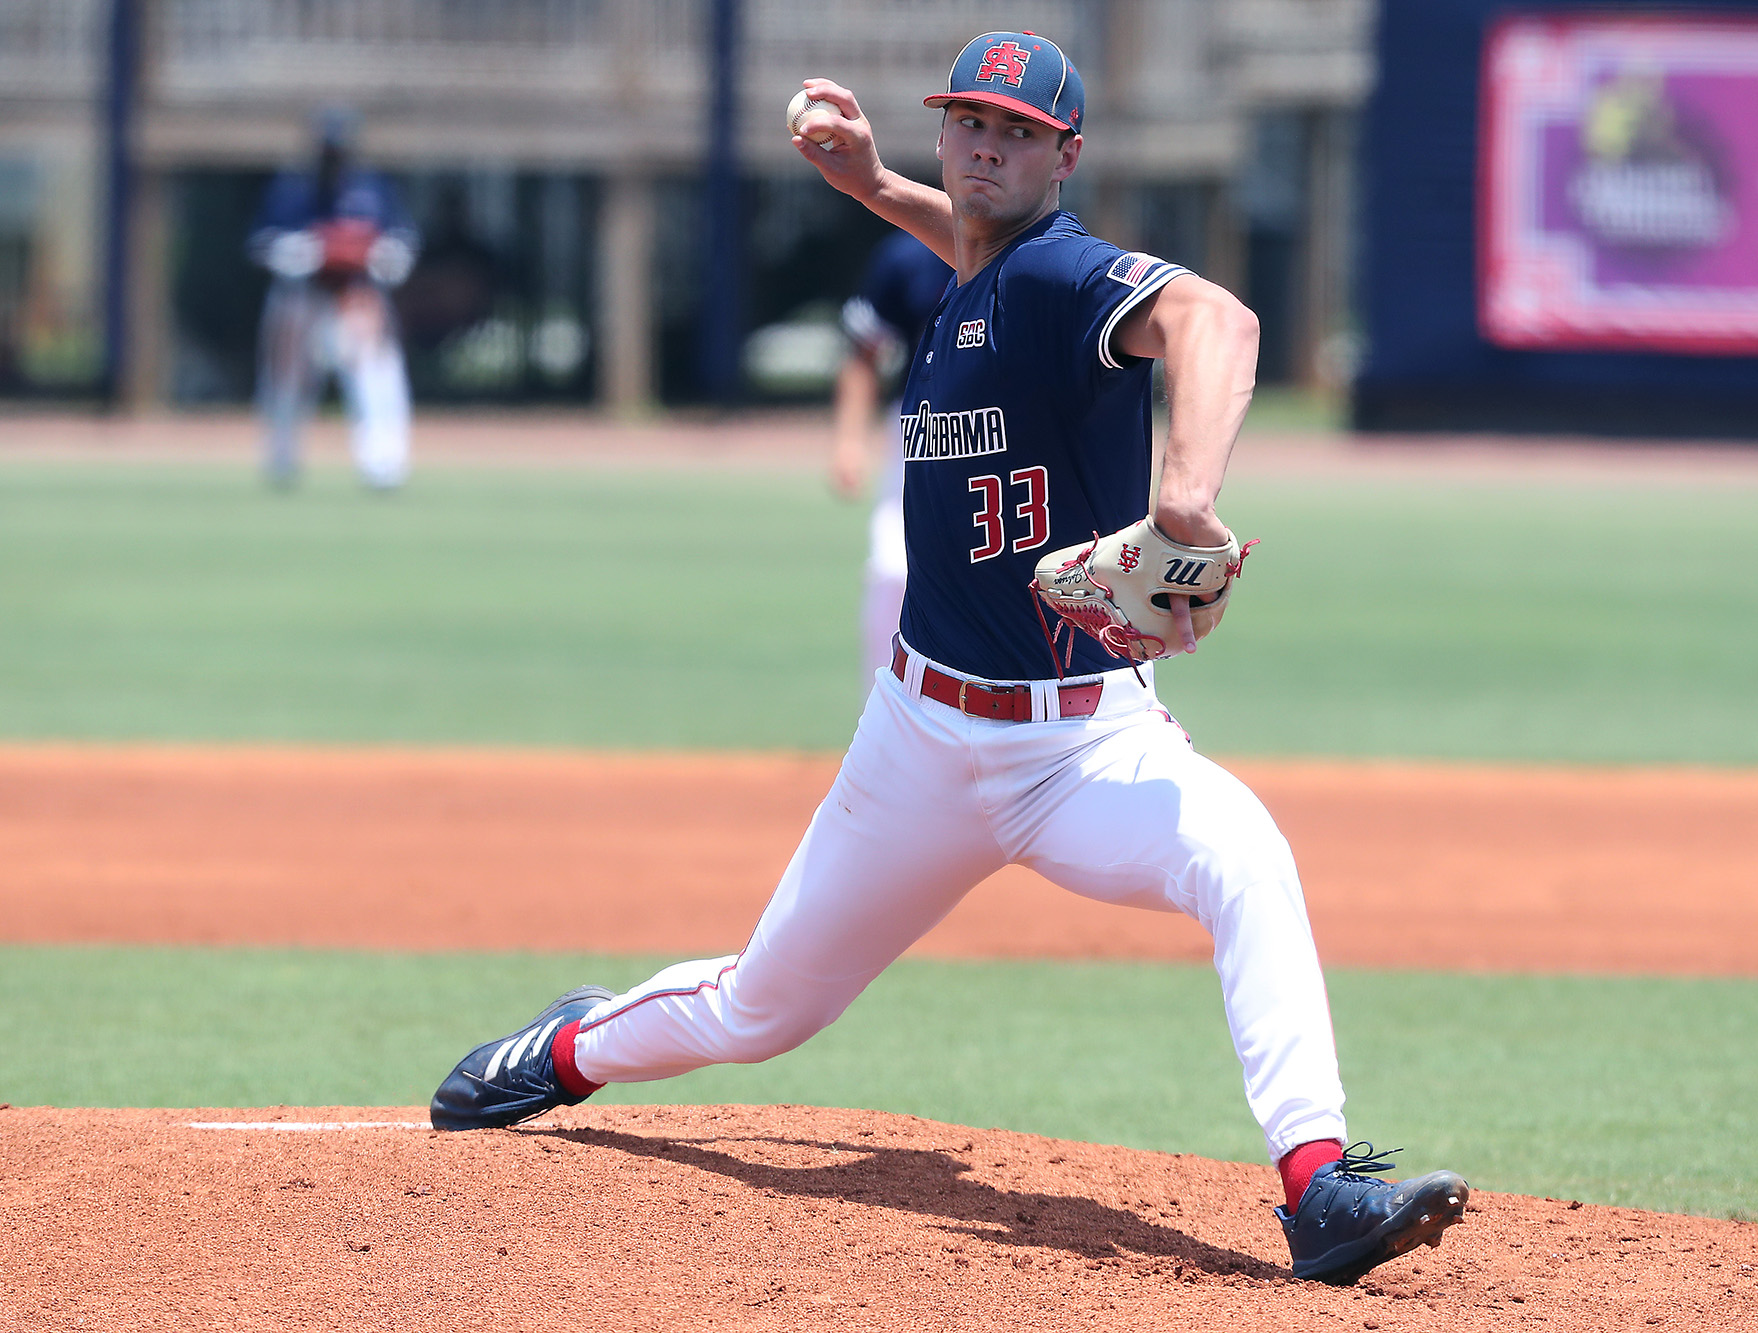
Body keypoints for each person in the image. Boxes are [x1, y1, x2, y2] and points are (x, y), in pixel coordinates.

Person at [429, 32, 1469, 1287]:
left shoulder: (1062, 277)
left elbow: (1220, 319)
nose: (985, 145)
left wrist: (1185, 494)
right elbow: (969, 243)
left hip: (1085, 741)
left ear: (1064, 155)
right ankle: (570, 1049)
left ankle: (1317, 1189)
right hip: (920, 743)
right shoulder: (979, 273)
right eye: (969, 122)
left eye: (1016, 132)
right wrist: (868, 183)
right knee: (763, 1009)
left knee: (1243, 854)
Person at [246, 109, 418, 490]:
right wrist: (305, 252)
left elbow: (402, 243)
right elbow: (260, 243)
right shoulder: (292, 188)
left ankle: (383, 464)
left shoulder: (373, 188)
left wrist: (372, 255)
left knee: (376, 373)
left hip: (355, 295)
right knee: (286, 379)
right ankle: (281, 459)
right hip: (301, 297)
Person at [831, 230, 954, 697]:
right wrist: (848, 440)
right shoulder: (908, 255)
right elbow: (863, 352)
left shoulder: (1041, 254)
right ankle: (883, 712)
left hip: (1013, 435)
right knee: (892, 572)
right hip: (920, 432)